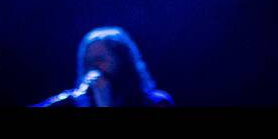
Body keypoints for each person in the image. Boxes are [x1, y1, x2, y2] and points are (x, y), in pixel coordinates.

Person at [34, 26, 174, 107]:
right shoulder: (73, 103)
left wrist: (104, 104)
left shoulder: (156, 103)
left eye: (99, 60)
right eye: (87, 62)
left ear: (122, 61)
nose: (92, 68)